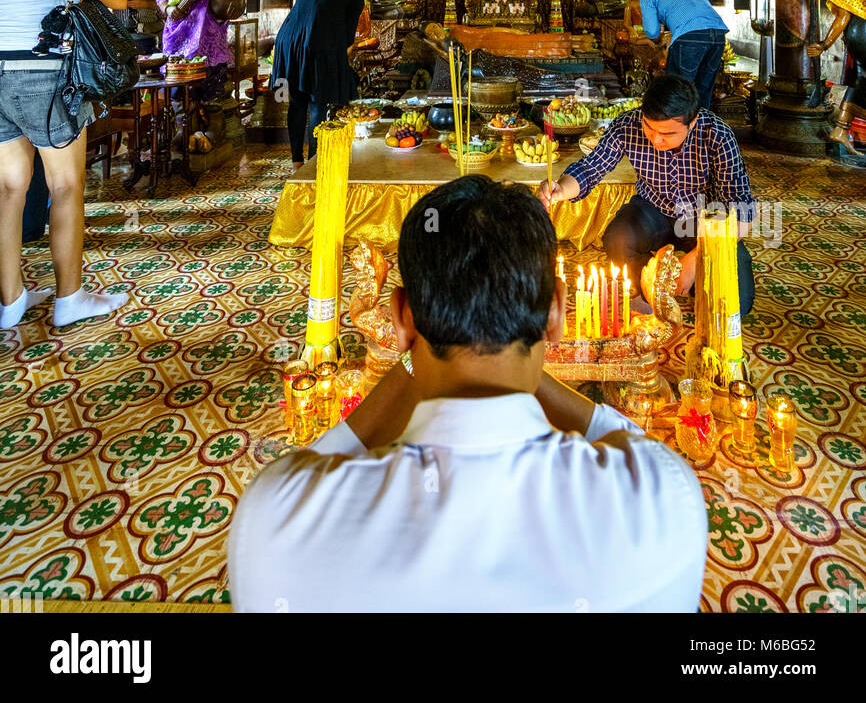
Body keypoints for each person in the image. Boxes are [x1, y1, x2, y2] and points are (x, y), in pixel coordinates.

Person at [228, 175, 708, 613]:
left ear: (399, 317)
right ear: (558, 312)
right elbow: (626, 442)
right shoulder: (660, 499)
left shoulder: (278, 518)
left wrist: (423, 345)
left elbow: (316, 460)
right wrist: (513, 332)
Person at [0, 0, 130, 329]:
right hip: (46, 77)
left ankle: (11, 300)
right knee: (65, 186)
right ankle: (69, 297)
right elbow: (115, 1)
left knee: (9, 187)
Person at [541, 74, 756, 316]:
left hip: (706, 221)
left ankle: (694, 281)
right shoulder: (628, 124)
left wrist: (697, 259)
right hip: (654, 210)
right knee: (618, 238)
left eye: (668, 134)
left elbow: (743, 216)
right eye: (649, 127)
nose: (656, 139)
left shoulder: (717, 135)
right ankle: (649, 285)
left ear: (692, 122)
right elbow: (590, 169)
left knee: (738, 300)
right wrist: (561, 188)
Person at [270, 0, 365, 167]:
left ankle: (296, 161)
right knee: (317, 104)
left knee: (297, 101)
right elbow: (347, 39)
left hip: (288, 44)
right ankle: (313, 164)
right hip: (316, 49)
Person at [638, 0, 728, 108]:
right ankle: (700, 127)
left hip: (690, 37)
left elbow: (652, 32)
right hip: (718, 36)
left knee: (678, 90)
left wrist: (658, 43)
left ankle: (678, 127)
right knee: (703, 89)